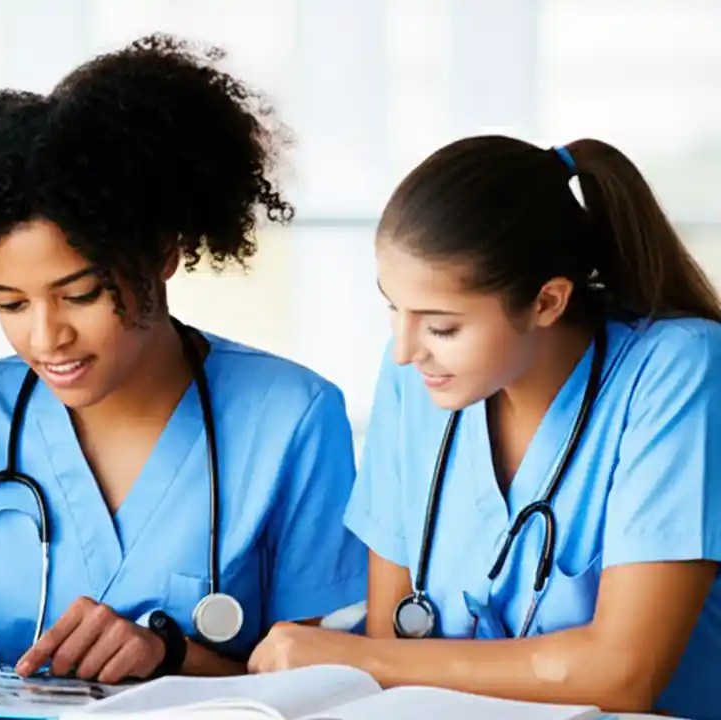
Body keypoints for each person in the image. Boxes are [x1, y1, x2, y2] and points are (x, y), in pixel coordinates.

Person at [0, 34, 367, 684]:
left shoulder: (292, 417)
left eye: (81, 294)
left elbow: (331, 681)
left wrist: (170, 655)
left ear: (164, 254)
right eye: (11, 304)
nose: (46, 337)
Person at [248, 135, 721, 718]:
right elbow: (392, 638)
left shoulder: (678, 369)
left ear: (547, 302)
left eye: (442, 327)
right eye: (392, 308)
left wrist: (356, 657)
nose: (404, 350)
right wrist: (364, 659)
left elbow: (624, 673)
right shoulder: (416, 383)